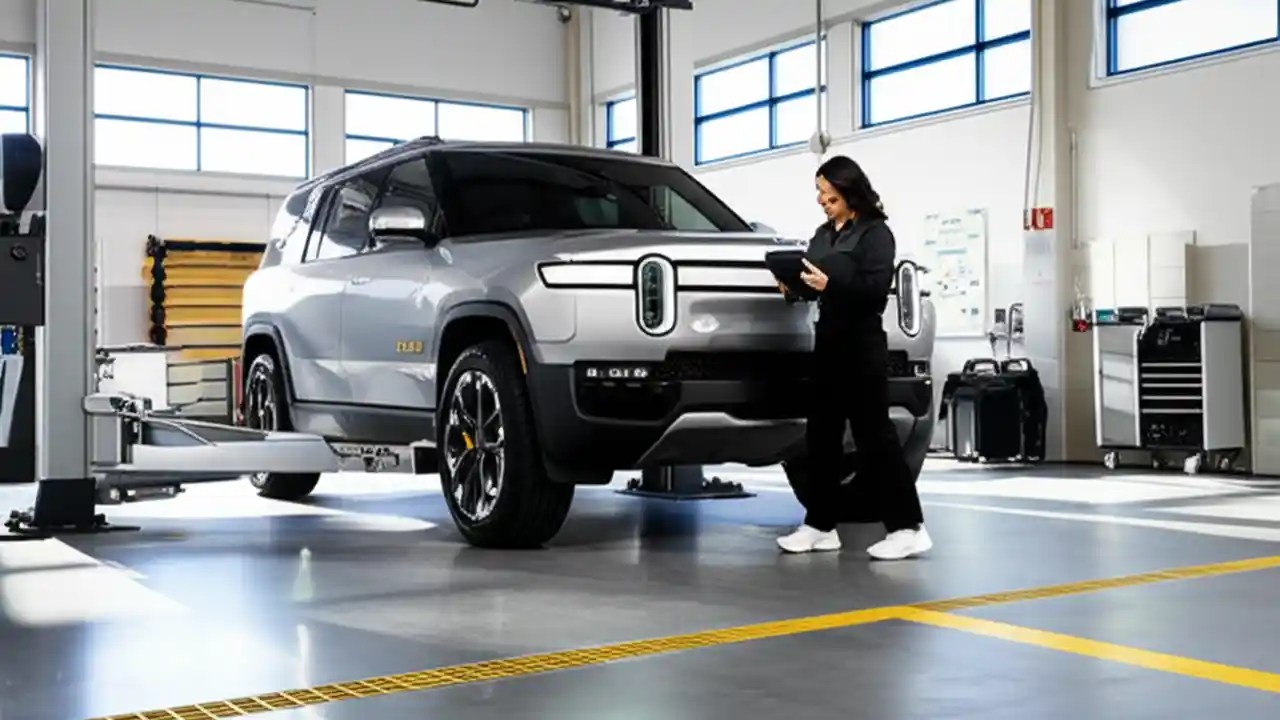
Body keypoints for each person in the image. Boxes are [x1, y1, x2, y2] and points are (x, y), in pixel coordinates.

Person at [775, 155, 932, 560]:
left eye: (828, 194)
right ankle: (821, 525)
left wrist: (831, 283)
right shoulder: (823, 234)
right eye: (819, 193)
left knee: (873, 437)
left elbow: (874, 290)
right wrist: (795, 287)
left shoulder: (876, 234)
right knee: (821, 437)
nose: (822, 201)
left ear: (849, 192)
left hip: (862, 343)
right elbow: (814, 283)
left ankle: (908, 527)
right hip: (828, 340)